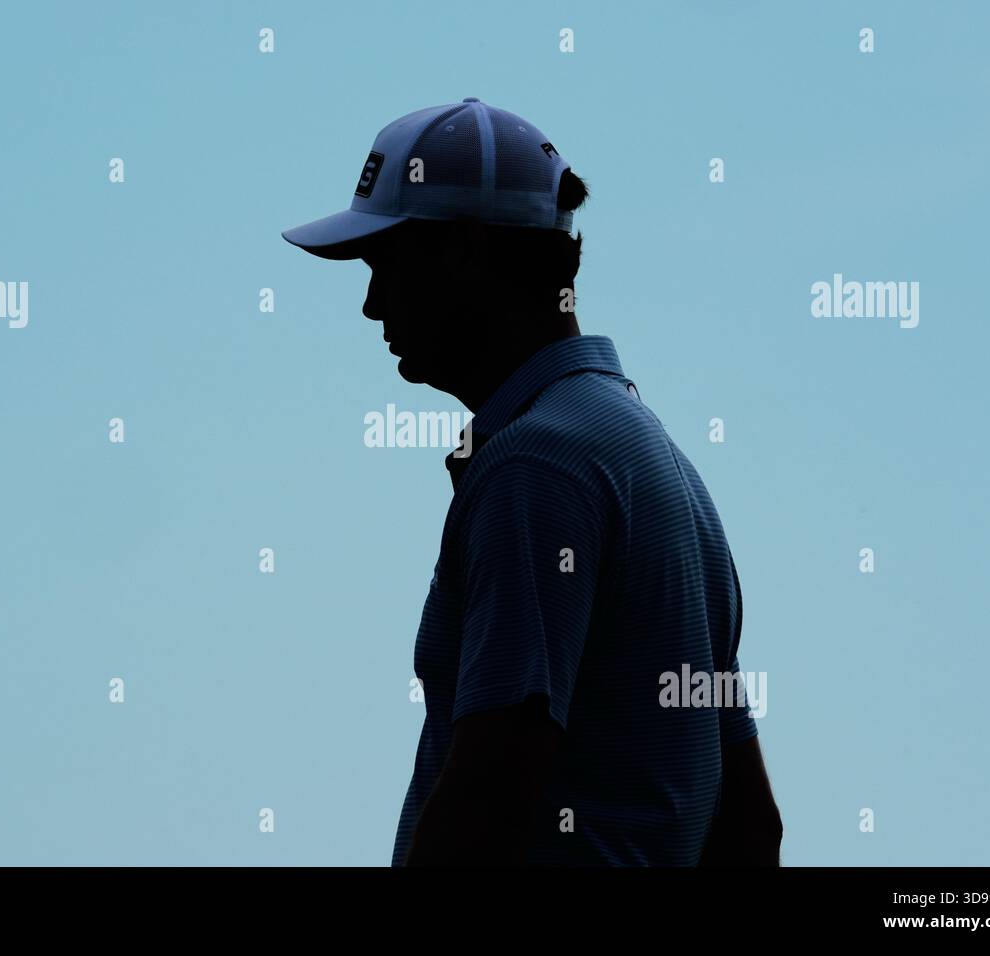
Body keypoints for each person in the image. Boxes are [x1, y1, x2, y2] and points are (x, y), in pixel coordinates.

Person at [282, 98, 782, 866]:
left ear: (468, 256)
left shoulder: (535, 470)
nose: (371, 303)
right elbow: (750, 827)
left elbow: (493, 785)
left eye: (388, 265)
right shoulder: (653, 459)